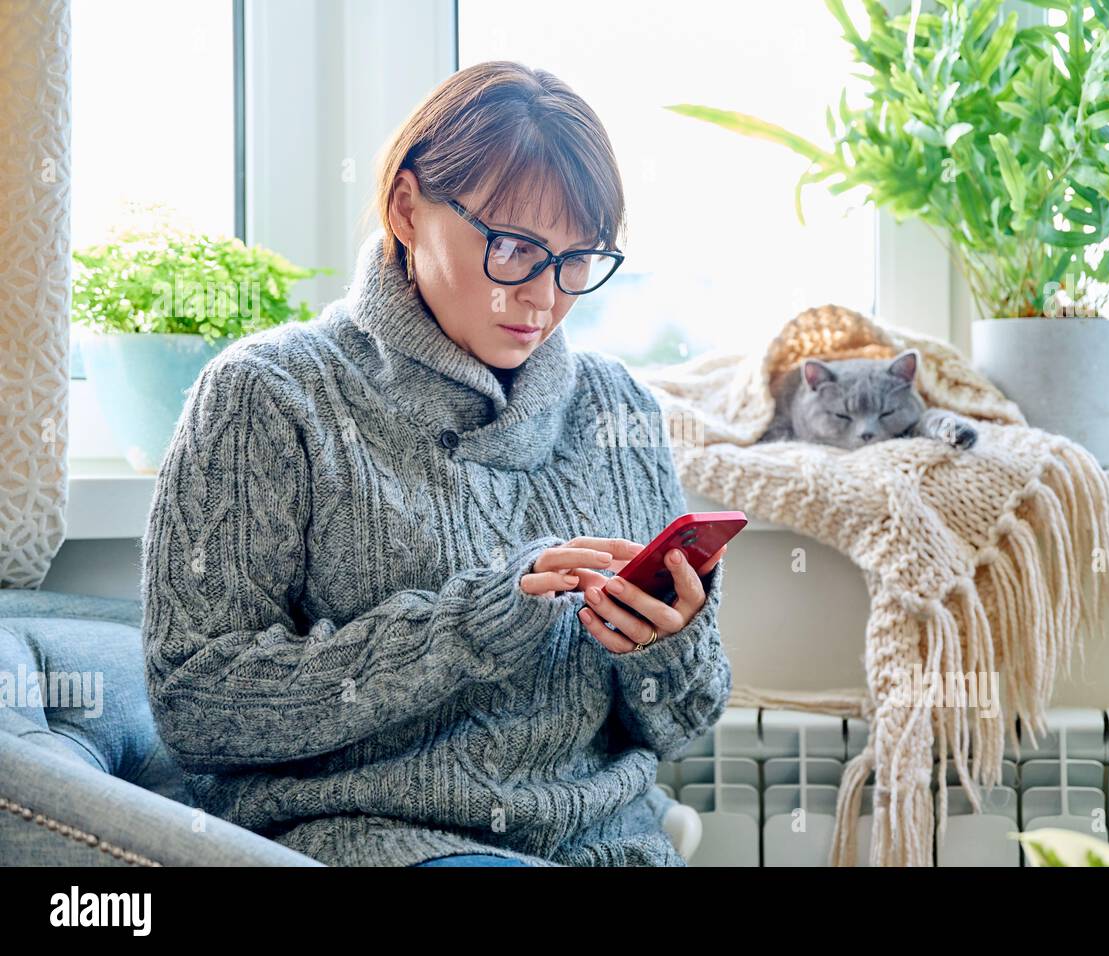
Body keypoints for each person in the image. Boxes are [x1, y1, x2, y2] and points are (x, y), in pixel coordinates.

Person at [139, 60, 731, 868]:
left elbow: (683, 724)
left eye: (577, 259)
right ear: (407, 208)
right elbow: (197, 705)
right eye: (515, 248)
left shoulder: (615, 408)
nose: (543, 297)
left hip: (608, 847)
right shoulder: (268, 395)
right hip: (376, 842)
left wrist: (669, 642)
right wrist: (466, 627)